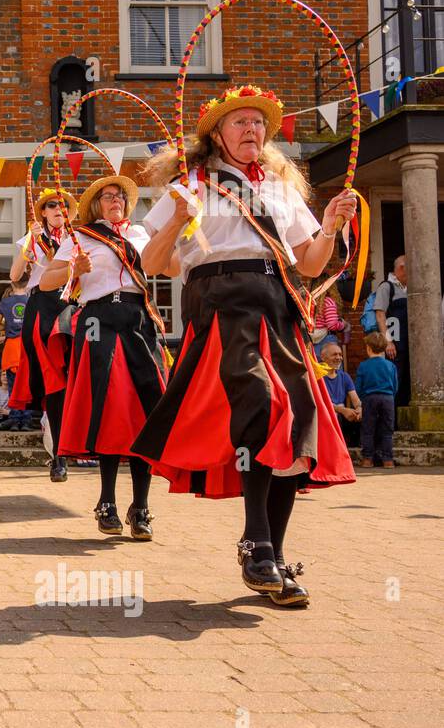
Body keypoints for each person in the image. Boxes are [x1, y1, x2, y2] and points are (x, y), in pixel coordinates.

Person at [135, 84, 358, 608]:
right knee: (259, 407)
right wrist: (174, 220)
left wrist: (329, 227)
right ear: (217, 134)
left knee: (298, 418)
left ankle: (272, 559)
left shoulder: (282, 190)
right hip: (221, 307)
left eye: (260, 123)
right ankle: (256, 540)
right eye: (241, 122)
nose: (253, 130)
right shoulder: (189, 186)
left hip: (278, 308)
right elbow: (153, 265)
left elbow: (307, 264)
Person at [41, 176, 166, 541]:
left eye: (120, 197)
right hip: (98, 320)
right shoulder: (80, 237)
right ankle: (107, 501)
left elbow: (164, 265)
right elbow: (47, 282)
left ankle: (141, 506)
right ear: (95, 205)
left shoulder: (141, 235)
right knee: (108, 409)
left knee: (147, 409)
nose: (116, 201)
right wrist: (72, 270)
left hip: (139, 321)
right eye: (108, 197)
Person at [9, 187, 77, 483]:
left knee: (77, 377)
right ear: (43, 212)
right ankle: (59, 455)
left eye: (62, 205)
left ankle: (76, 445)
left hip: (71, 304)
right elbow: (14, 276)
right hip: (43, 305)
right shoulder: (33, 238)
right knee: (54, 381)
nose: (57, 209)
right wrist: (29, 245)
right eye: (51, 205)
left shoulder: (76, 238)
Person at [355, 331, 398, 468]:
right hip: (387, 398)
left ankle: (367, 459)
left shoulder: (363, 366)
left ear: (368, 348)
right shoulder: (391, 366)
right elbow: (395, 385)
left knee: (368, 429)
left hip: (369, 398)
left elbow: (358, 387)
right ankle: (388, 460)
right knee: (387, 430)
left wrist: (362, 399)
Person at [373, 255, 410, 408]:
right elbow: (380, 315)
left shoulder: (411, 287)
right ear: (401, 268)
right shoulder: (387, 287)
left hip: (411, 343)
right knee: (395, 379)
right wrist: (388, 341)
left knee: (408, 379)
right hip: (396, 343)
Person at [320, 341, 361, 449]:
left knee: (365, 415)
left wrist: (359, 408)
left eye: (340, 354)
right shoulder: (318, 376)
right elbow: (320, 403)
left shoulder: (344, 376)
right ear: (323, 357)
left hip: (341, 413)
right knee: (335, 416)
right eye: (334, 354)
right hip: (325, 413)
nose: (339, 358)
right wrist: (342, 410)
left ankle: (368, 455)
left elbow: (355, 399)